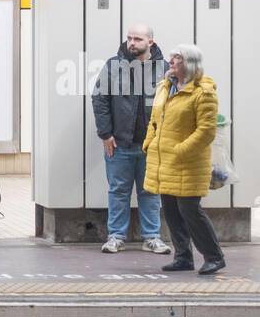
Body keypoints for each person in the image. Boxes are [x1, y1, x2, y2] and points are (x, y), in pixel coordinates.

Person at [142, 43, 225, 275]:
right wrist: (149, 143)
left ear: (189, 63)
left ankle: (214, 257)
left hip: (187, 162)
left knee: (190, 210)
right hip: (163, 160)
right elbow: (154, 120)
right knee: (170, 209)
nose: (171, 60)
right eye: (171, 56)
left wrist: (180, 150)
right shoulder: (165, 86)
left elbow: (206, 130)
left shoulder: (203, 92)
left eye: (177, 57)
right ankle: (183, 257)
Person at [91, 24, 172, 255]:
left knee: (151, 191)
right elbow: (100, 99)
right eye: (129, 38)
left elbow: (172, 105)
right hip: (120, 143)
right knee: (118, 190)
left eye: (137, 38)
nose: (132, 43)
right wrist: (105, 134)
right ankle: (116, 237)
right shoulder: (114, 66)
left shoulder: (164, 69)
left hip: (151, 145)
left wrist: (163, 138)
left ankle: (152, 238)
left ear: (150, 42)